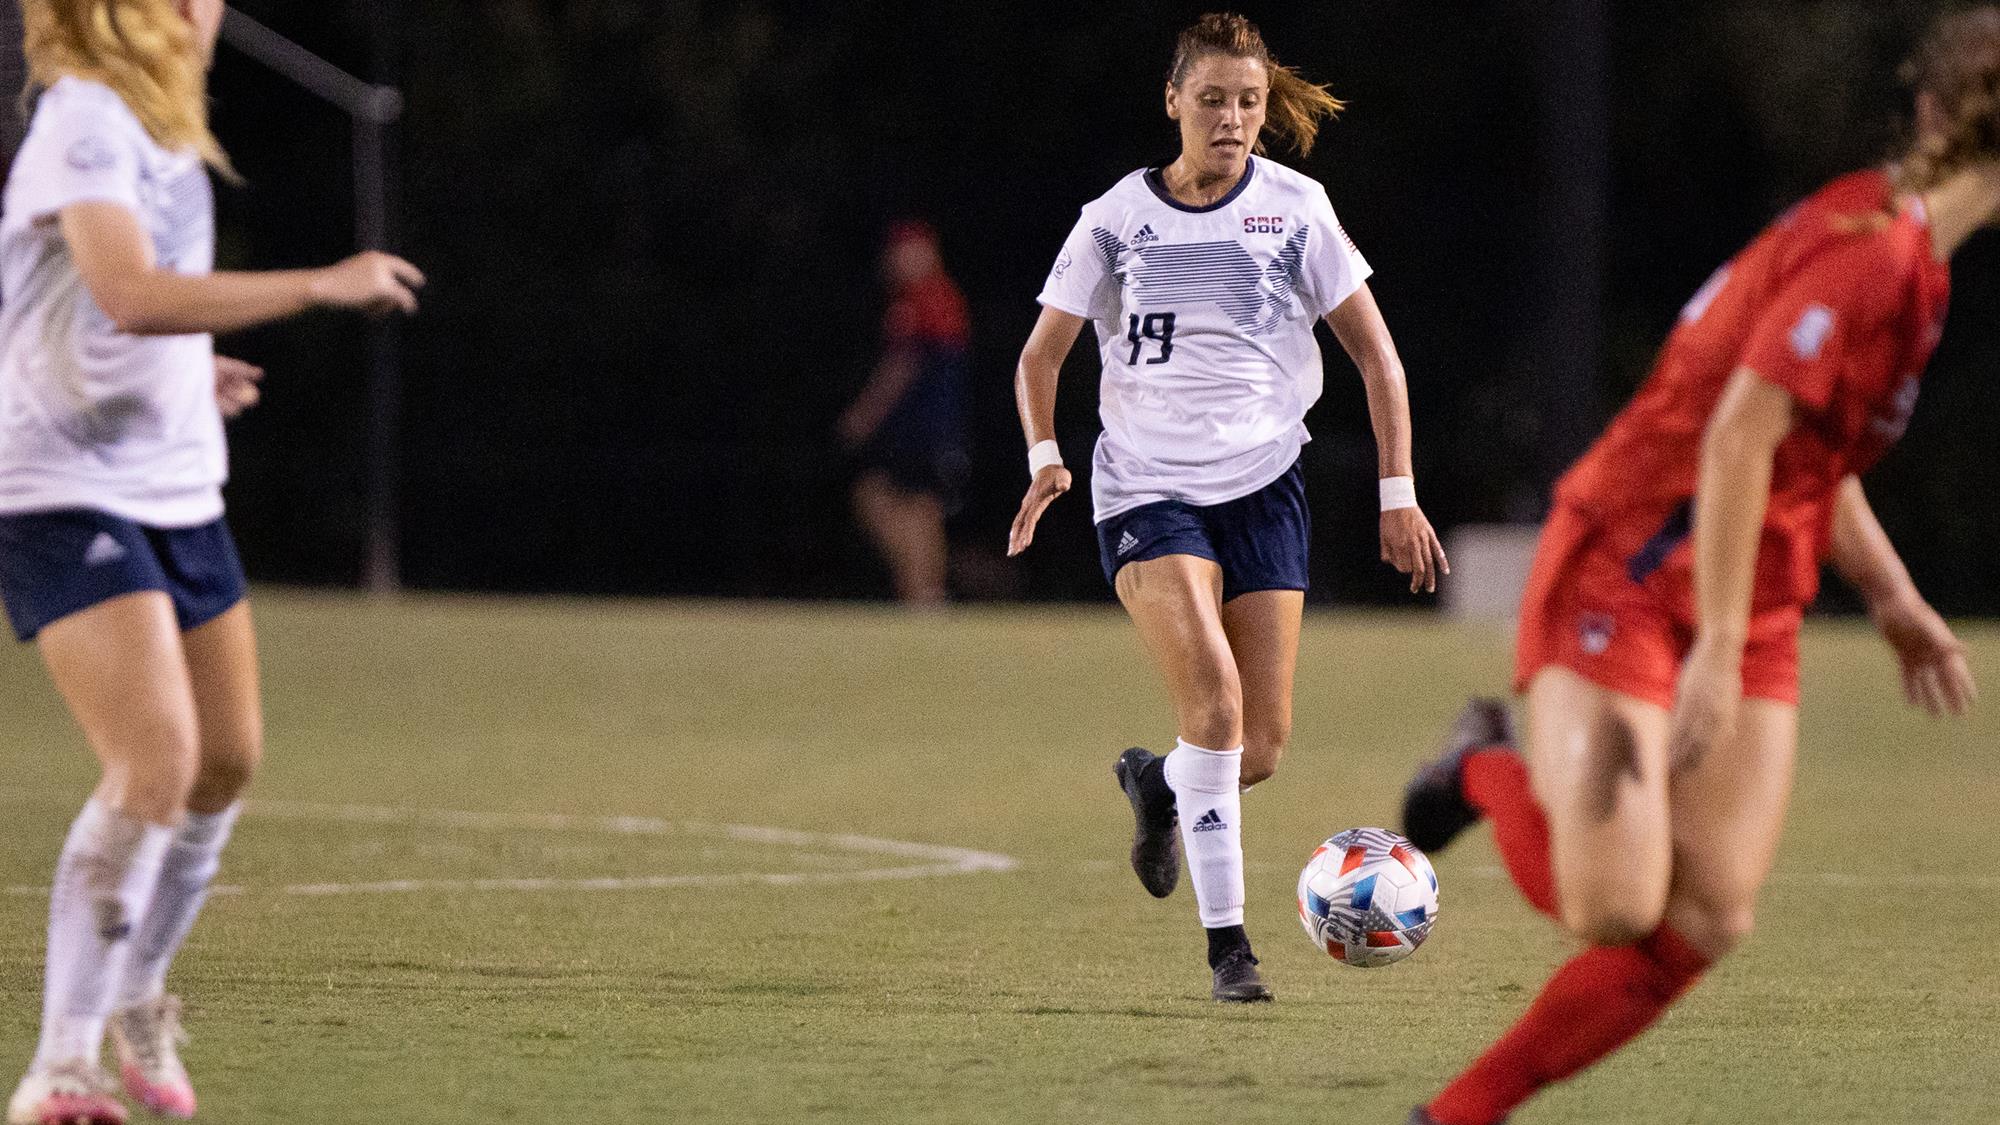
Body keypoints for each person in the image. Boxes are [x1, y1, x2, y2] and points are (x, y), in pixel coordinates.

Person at [1398, 9, 1998, 1123]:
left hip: (1748, 590)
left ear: (1930, 112)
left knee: (1708, 913)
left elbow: (1801, 456)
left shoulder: (1903, 259)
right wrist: (1714, 648)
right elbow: (1733, 436)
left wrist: (1891, 597)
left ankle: (1453, 1115)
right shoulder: (1869, 255)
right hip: (1621, 575)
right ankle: (1481, 765)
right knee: (1615, 908)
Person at [1, 2, 424, 1122]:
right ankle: (59, 1069)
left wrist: (193, 375)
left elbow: (102, 311)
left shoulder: (166, 128)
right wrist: (318, 283)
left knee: (225, 763)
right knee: (156, 764)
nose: (200, 10)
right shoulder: (86, 120)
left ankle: (137, 990)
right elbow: (126, 295)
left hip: (178, 491)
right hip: (59, 489)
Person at [1007, 12, 1448, 1002]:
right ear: (1172, 102)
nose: (1231, 119)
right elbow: (1040, 355)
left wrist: (1395, 493)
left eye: (1247, 102)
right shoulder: (1118, 218)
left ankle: (1158, 783)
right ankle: (1228, 954)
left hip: (1264, 489)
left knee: (1255, 748)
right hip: (1145, 492)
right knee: (1212, 705)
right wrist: (1044, 457)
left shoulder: (1295, 209)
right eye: (1210, 100)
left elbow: (1376, 358)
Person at [838, 220, 971, 606]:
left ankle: (922, 593)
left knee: (884, 502)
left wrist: (864, 416)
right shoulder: (930, 296)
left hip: (921, 430)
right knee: (920, 511)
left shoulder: (926, 297)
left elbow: (903, 367)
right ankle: (924, 594)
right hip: (929, 429)